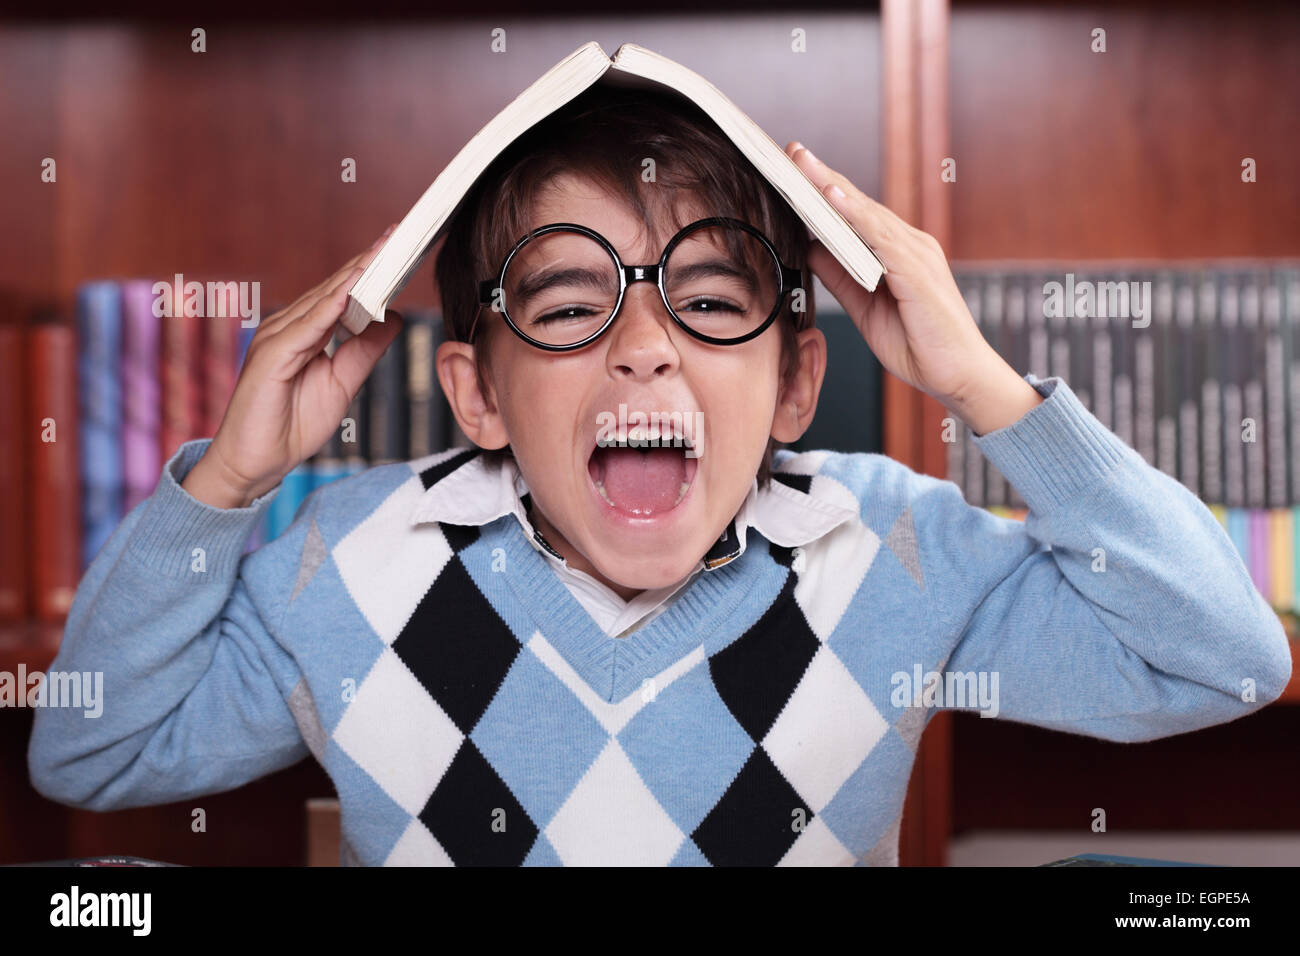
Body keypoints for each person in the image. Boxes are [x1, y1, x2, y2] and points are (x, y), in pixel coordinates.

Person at [28, 85, 1291, 866]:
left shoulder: (896, 553)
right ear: (475, 395)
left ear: (796, 383)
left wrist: (984, 389)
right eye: (574, 303)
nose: (644, 345)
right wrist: (227, 482)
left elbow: (1224, 655)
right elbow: (93, 753)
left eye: (702, 298)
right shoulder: (344, 566)